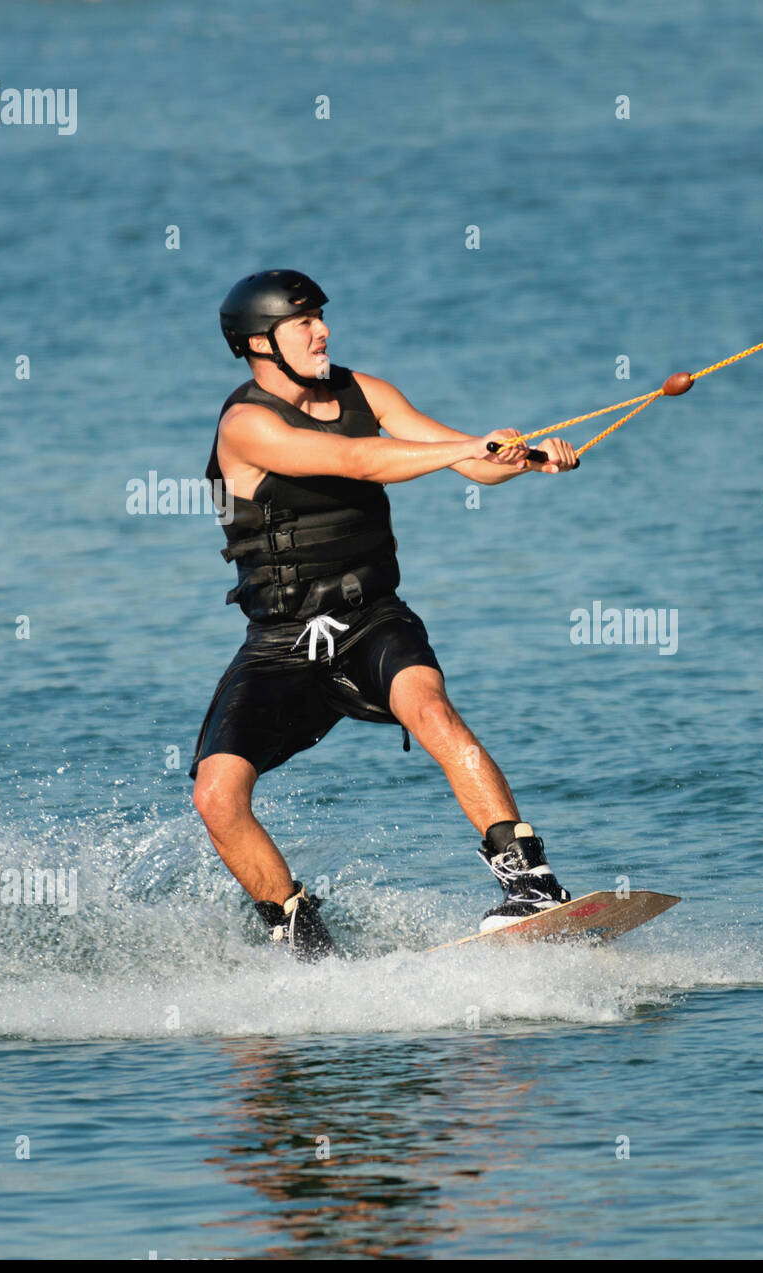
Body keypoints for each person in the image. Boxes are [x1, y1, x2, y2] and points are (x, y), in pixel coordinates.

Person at [190, 269, 580, 959]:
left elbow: (474, 465)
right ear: (259, 343)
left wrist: (523, 460)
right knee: (217, 796)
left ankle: (531, 883)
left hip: (371, 617)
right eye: (303, 323)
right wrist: (468, 447)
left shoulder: (365, 391)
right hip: (282, 640)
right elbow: (358, 461)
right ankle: (303, 943)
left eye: (321, 318)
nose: (323, 332)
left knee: (430, 708)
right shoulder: (246, 424)